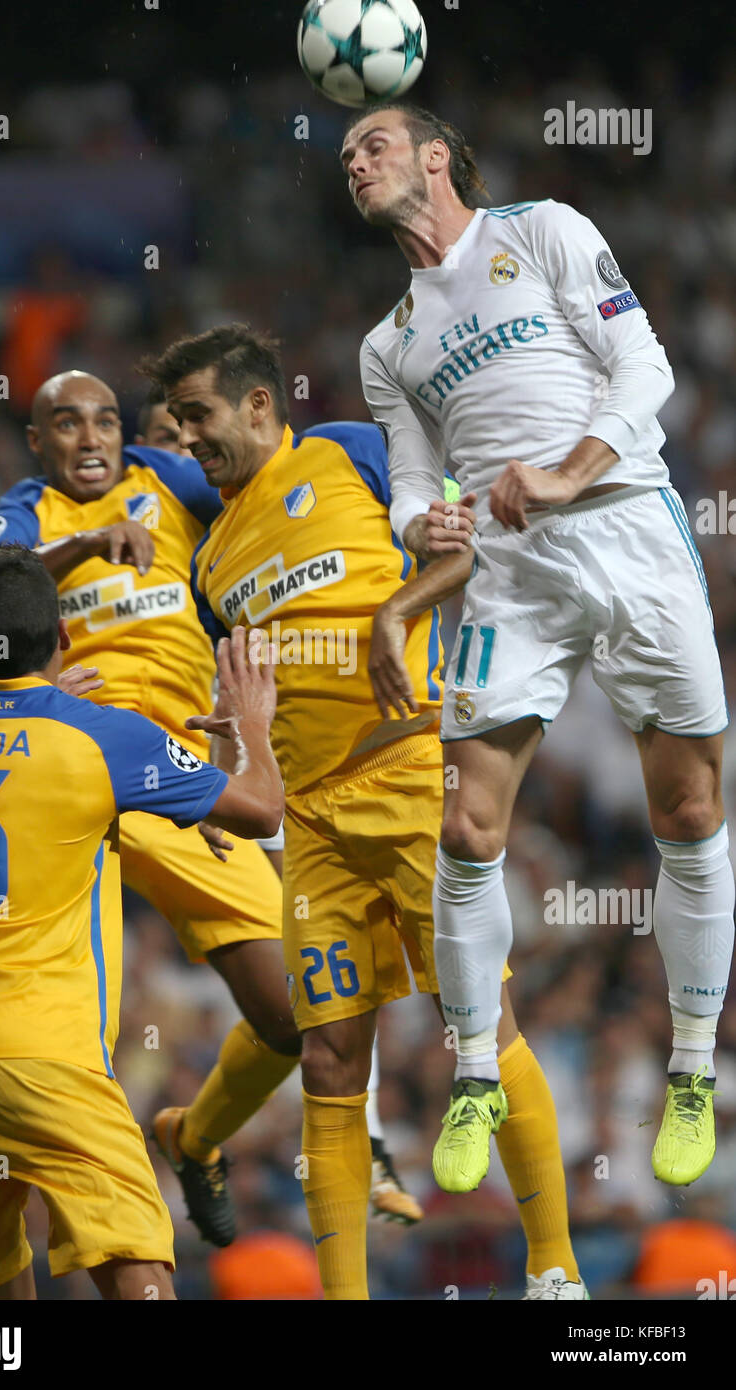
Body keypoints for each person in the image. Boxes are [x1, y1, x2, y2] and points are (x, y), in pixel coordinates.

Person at [141, 322, 587, 1300]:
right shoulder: (209, 564)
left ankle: (553, 1267)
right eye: (179, 423)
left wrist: (404, 608)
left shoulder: (355, 452)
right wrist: (224, 758)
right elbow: (247, 690)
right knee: (332, 1052)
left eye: (200, 416)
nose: (191, 438)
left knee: (480, 1018)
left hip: (405, 775)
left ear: (261, 403)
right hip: (311, 826)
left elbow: (460, 544)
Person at [341, 101, 733, 1193]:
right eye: (343, 156)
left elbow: (642, 367)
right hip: (505, 577)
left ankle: (690, 1066)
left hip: (625, 530)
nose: (355, 164)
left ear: (432, 155)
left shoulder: (543, 230)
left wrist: (562, 470)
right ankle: (474, 1070)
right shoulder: (387, 344)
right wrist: (421, 524)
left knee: (691, 811)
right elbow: (413, 479)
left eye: (370, 145)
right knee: (465, 826)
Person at [0, 370, 421, 1243]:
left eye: (106, 420)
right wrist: (88, 545)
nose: (91, 437)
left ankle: (195, 1134)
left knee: (292, 1017)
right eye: (67, 423)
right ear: (39, 442)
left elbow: (252, 491)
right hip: (75, 757)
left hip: (177, 775)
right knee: (36, 966)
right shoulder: (28, 510)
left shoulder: (166, 479)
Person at [0, 545, 282, 1300]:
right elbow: (259, 812)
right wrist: (251, 722)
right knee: (137, 1264)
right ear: (62, 638)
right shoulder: (101, 736)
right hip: (44, 1055)